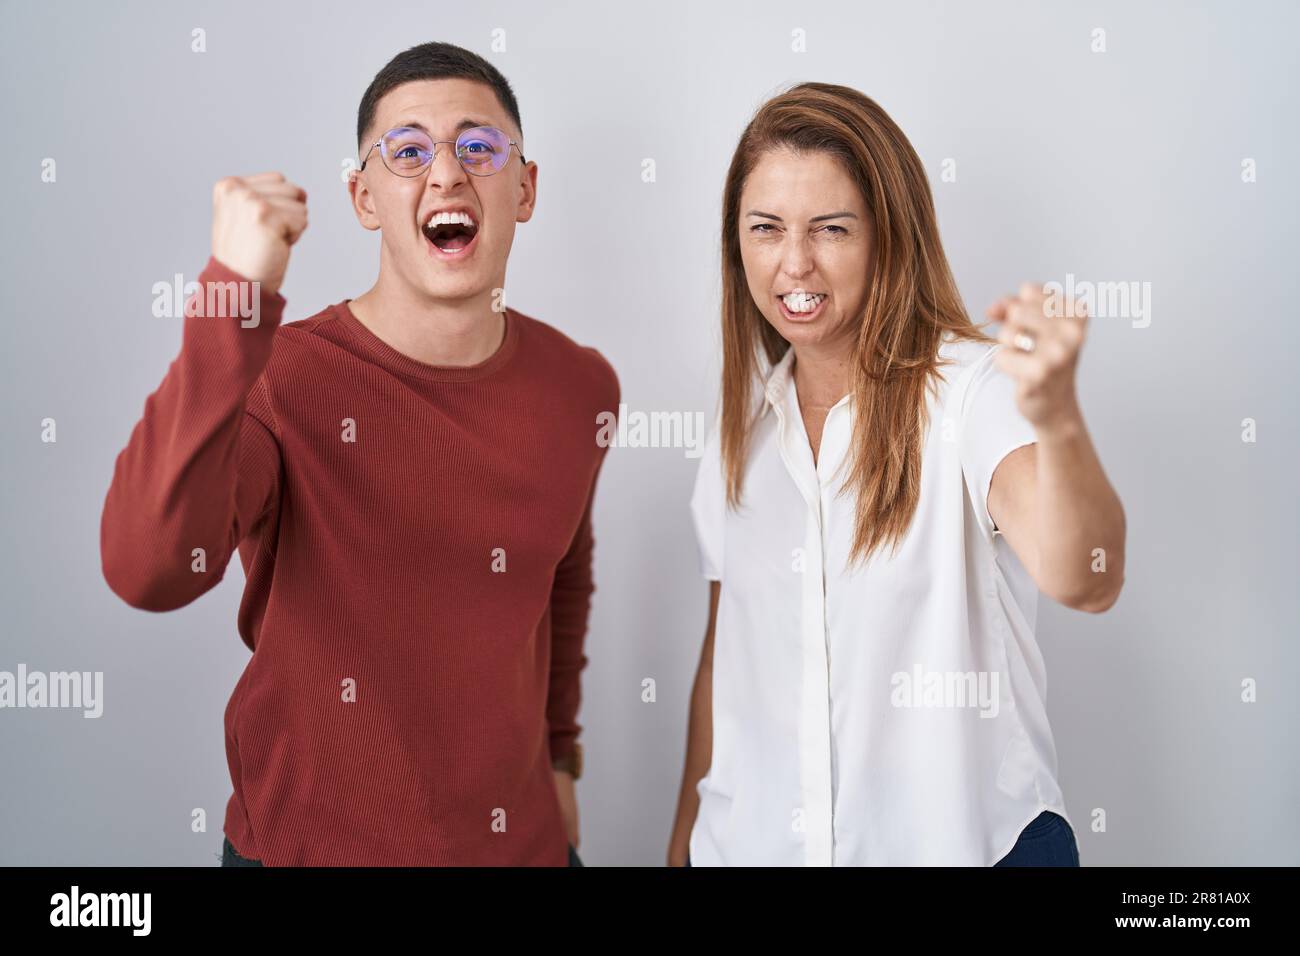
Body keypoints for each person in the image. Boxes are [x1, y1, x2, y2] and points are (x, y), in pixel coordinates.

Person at [100, 41, 617, 866]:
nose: (446, 173)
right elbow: (148, 569)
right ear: (363, 196)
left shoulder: (579, 386)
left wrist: (560, 755)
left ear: (524, 188)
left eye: (478, 147)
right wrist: (231, 295)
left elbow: (560, 576)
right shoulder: (281, 381)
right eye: (407, 151)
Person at [668, 82, 1125, 866]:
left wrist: (1056, 417)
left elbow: (1086, 576)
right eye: (766, 228)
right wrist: (681, 850)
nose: (794, 262)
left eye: (832, 229)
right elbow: (725, 667)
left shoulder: (971, 394)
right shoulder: (738, 443)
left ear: (889, 237)